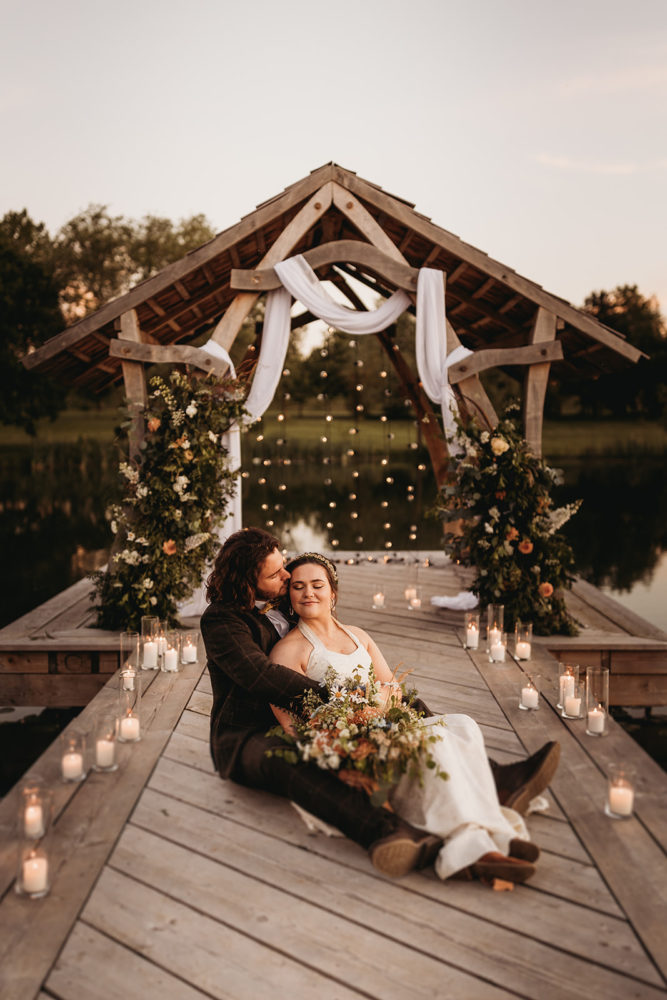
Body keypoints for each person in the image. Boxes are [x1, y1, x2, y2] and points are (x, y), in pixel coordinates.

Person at [201, 528, 560, 880]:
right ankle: (387, 830)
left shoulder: (277, 602)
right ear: (249, 580)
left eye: (284, 567)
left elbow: (317, 605)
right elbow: (261, 675)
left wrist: (375, 700)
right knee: (295, 766)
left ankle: (498, 778)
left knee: (405, 702)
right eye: (276, 573)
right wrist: (342, 703)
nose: (286, 574)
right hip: (247, 732)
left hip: (304, 702)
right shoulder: (222, 619)